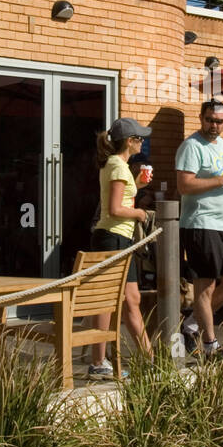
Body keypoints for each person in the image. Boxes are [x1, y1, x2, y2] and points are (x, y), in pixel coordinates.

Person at [176, 100, 223, 357]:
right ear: (201, 118)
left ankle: (191, 323)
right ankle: (209, 344)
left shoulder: (221, 145)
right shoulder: (192, 146)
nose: (214, 125)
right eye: (210, 120)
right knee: (205, 287)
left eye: (219, 121)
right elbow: (184, 186)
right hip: (201, 224)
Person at [89, 117, 153, 376]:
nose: (142, 142)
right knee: (111, 301)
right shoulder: (117, 166)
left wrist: (137, 185)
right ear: (130, 141)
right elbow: (115, 209)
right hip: (113, 237)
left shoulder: (118, 166)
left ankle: (146, 359)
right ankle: (100, 362)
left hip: (117, 238)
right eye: (140, 138)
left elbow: (117, 198)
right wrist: (139, 213)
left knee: (131, 299)